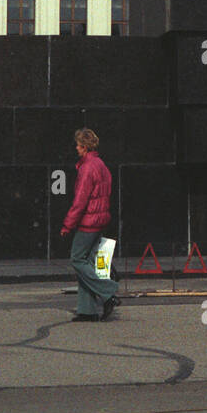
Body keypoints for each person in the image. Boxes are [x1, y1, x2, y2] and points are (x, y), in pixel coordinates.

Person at [59, 128, 119, 322]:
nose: (76, 148)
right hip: (100, 220)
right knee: (87, 263)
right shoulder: (100, 164)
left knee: (77, 259)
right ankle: (87, 310)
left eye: (78, 145)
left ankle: (108, 292)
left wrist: (67, 225)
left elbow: (80, 201)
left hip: (88, 222)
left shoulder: (87, 168)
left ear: (84, 147)